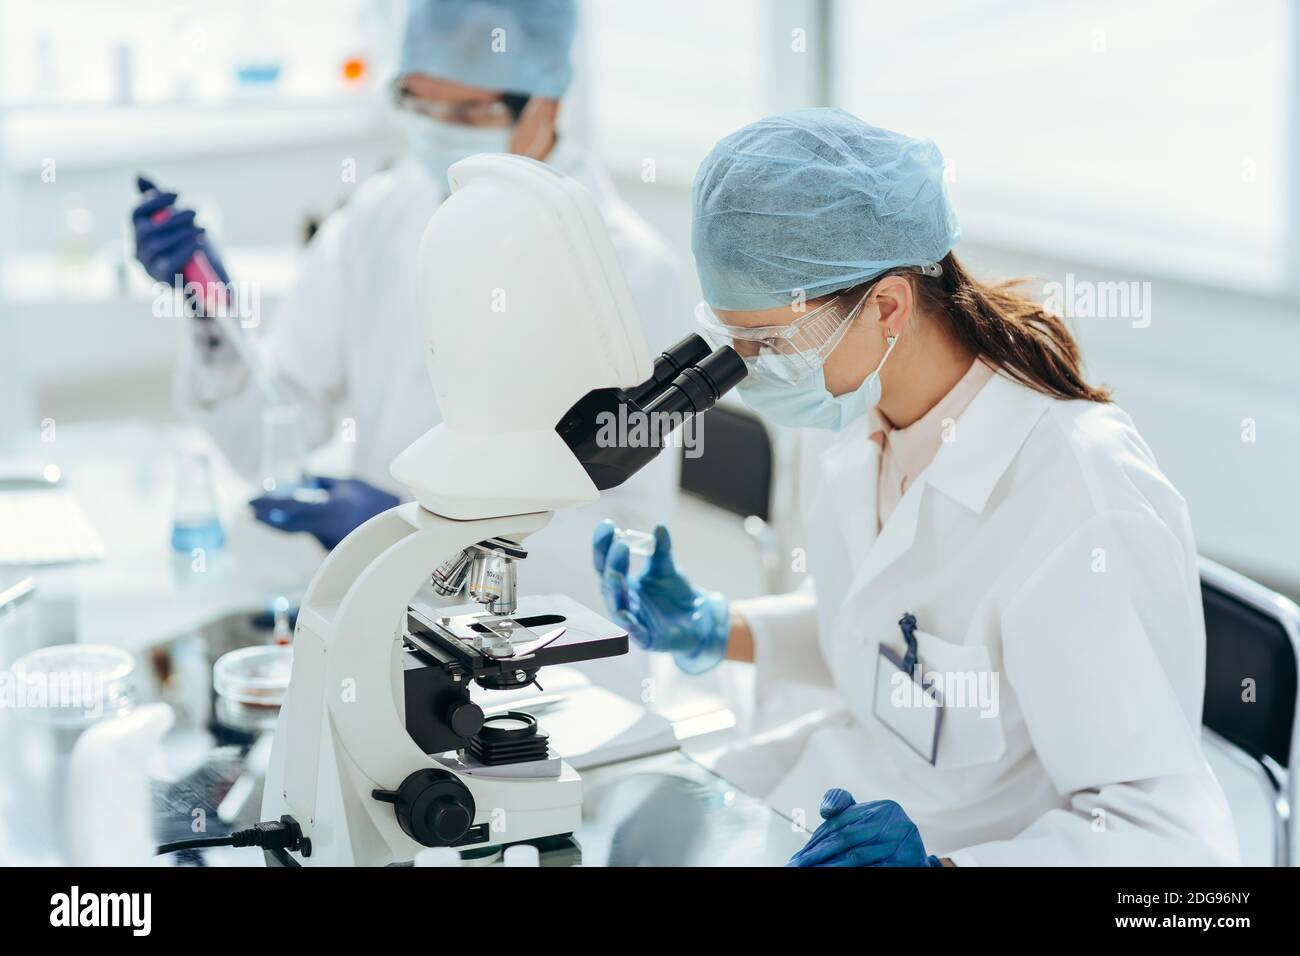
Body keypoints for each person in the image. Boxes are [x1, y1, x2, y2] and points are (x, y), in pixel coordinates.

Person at [593, 108, 1239, 866]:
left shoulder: (1081, 492)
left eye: (766, 344)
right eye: (735, 343)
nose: (751, 372)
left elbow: (1170, 838)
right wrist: (720, 628)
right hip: (821, 797)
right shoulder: (852, 416)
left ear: (889, 306)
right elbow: (902, 640)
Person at [130, 1, 692, 664]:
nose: (436, 132)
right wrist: (213, 316)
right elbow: (272, 437)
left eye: (466, 112)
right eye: (418, 104)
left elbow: (622, 539)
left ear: (548, 101)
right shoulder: (381, 216)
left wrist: (414, 531)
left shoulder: (629, 271)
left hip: (549, 659)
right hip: (382, 625)